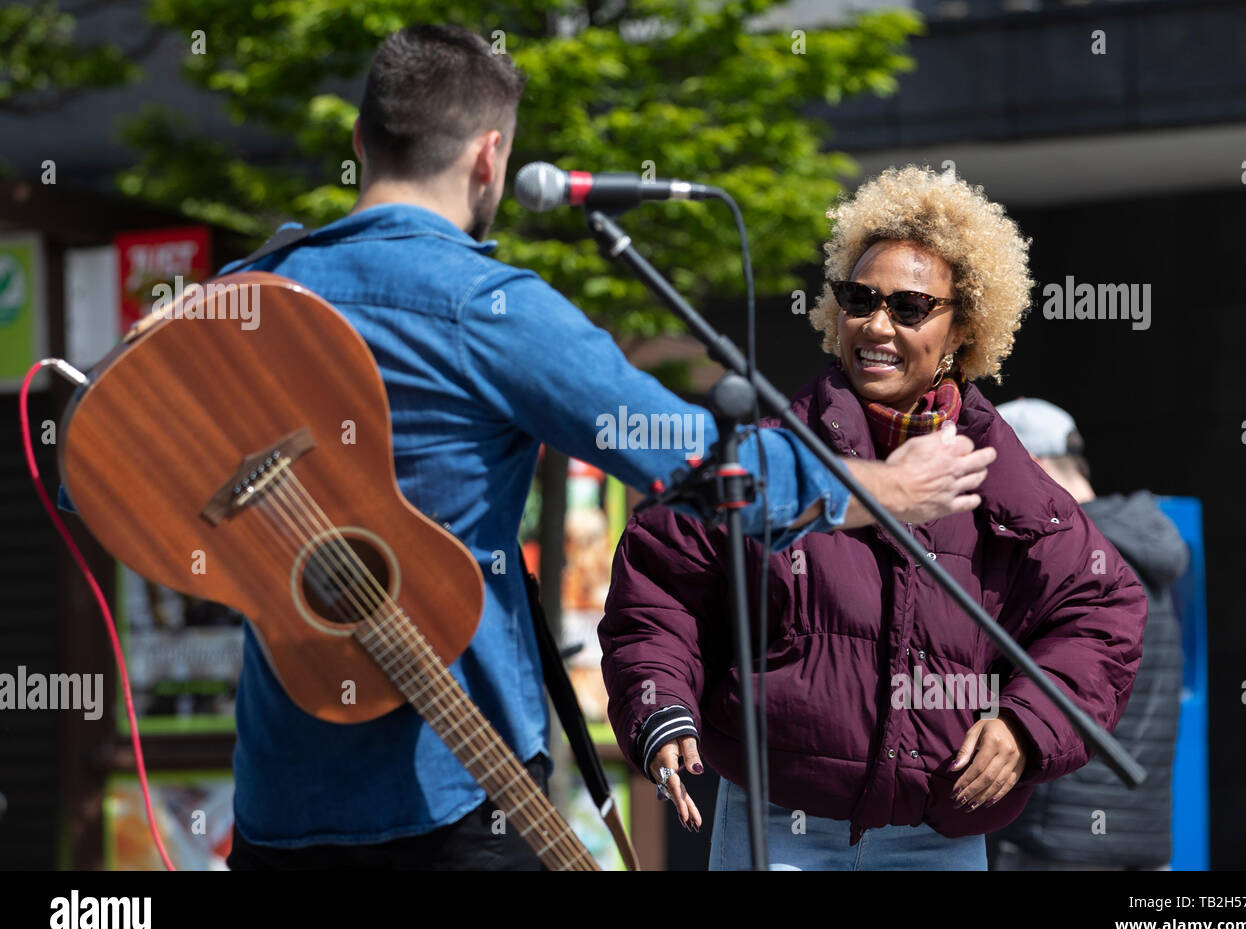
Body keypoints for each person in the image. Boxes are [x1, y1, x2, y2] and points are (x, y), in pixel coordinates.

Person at [210, 26, 993, 870]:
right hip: (454, 790)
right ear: (489, 157)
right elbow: (691, 460)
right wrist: (876, 489)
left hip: (279, 794)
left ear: (360, 141)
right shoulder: (489, 308)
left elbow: (89, 466)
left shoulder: (248, 296)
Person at [599, 165, 1149, 870]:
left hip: (937, 841)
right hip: (776, 827)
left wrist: (1026, 725)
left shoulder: (1003, 476)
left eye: (910, 306)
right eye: (859, 299)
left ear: (963, 327)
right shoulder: (774, 454)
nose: (877, 324)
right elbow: (660, 580)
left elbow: (1102, 612)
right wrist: (660, 706)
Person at [989, 398, 1189, 870]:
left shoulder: (1060, 553)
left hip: (1058, 836)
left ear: (1030, 465)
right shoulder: (1144, 540)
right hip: (1143, 834)